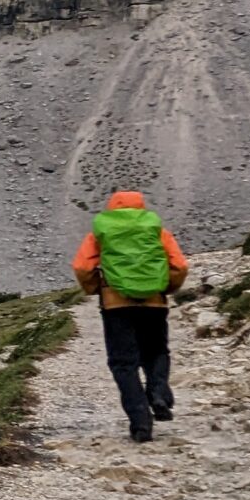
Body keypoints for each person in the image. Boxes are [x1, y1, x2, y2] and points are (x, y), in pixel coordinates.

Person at [71, 189, 189, 442]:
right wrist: (165, 288)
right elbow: (180, 266)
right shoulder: (158, 232)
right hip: (155, 304)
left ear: (112, 208)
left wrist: (97, 288)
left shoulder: (100, 234)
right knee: (156, 351)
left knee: (124, 363)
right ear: (141, 207)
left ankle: (140, 423)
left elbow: (82, 267)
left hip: (116, 307)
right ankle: (158, 393)